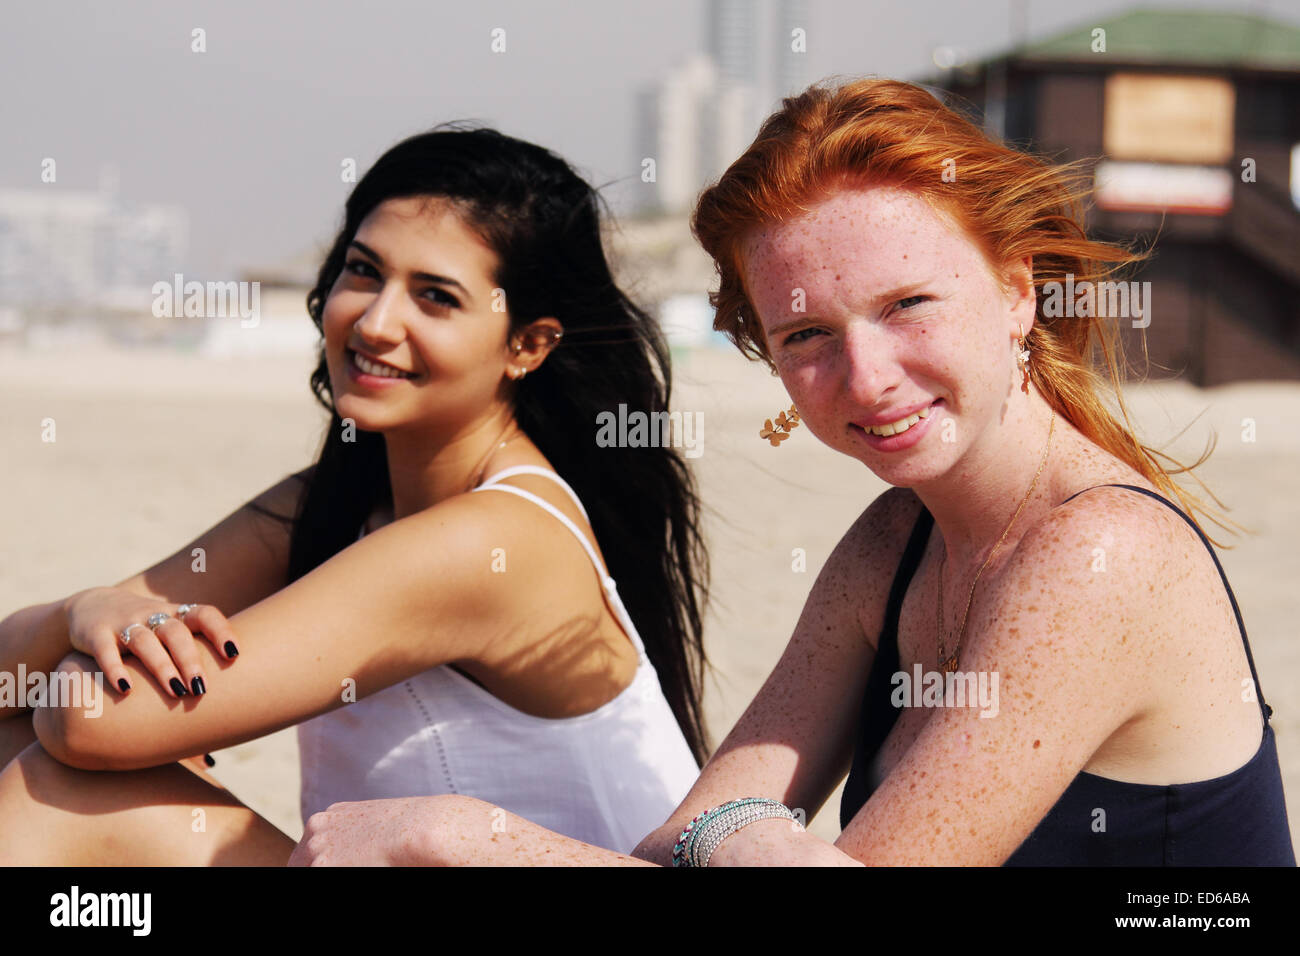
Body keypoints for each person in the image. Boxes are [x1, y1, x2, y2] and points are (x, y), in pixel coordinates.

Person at [292, 77, 1294, 866]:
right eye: (807, 333)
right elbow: (680, 837)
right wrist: (740, 836)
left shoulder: (1101, 555)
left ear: (1014, 290)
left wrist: (473, 838)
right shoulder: (891, 544)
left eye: (908, 305)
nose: (865, 377)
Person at [0, 124, 710, 865]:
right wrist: (83, 611)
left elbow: (91, 719)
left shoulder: (490, 540)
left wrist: (97, 645)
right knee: (14, 735)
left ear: (527, 345)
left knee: (61, 785)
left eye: (435, 298)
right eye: (365, 272)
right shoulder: (344, 499)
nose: (375, 323)